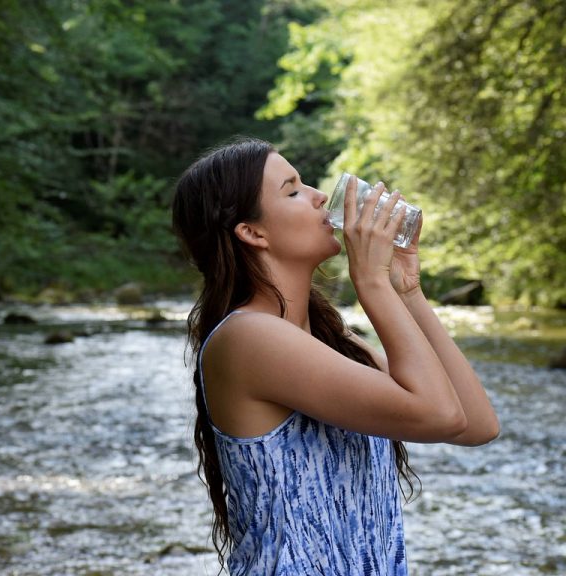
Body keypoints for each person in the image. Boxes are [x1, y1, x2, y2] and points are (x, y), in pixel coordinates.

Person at [171, 138, 499, 575]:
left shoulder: (329, 338)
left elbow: (476, 424)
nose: (320, 196)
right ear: (253, 233)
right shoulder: (249, 338)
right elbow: (439, 415)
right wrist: (372, 283)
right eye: (293, 190)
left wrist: (407, 290)